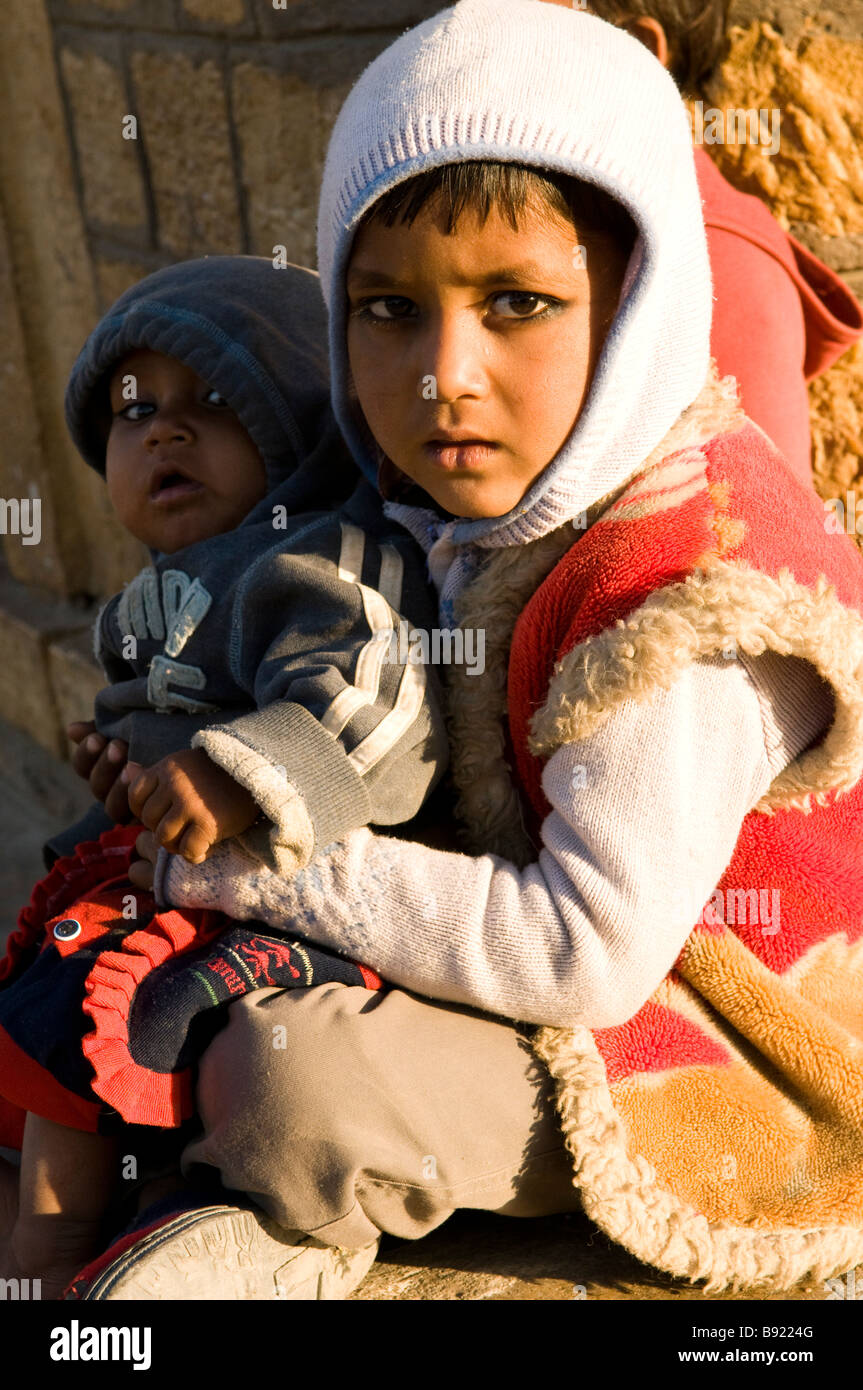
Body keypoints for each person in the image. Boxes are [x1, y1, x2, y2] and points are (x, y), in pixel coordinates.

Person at [67, 0, 863, 1301]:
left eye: (516, 304)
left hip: (729, 1045)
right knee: (170, 981)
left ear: (643, 301)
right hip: (550, 959)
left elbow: (582, 955)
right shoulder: (473, 506)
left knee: (286, 1074)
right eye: (386, 308)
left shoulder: (685, 598)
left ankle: (293, 1231)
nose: (444, 375)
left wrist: (272, 869)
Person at [0, 255, 449, 1298]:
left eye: (214, 402)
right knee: (49, 971)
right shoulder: (161, 591)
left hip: (283, 902)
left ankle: (57, 1255)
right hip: (167, 880)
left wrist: (240, 775)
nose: (163, 429)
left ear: (300, 426)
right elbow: (159, 722)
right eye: (132, 411)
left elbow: (380, 703)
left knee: (86, 997)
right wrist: (123, 772)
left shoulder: (318, 558)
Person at [548, 0, 863, 488]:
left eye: (522, 24)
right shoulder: (593, 220)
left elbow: (756, 535)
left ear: (638, 50)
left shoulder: (713, 258)